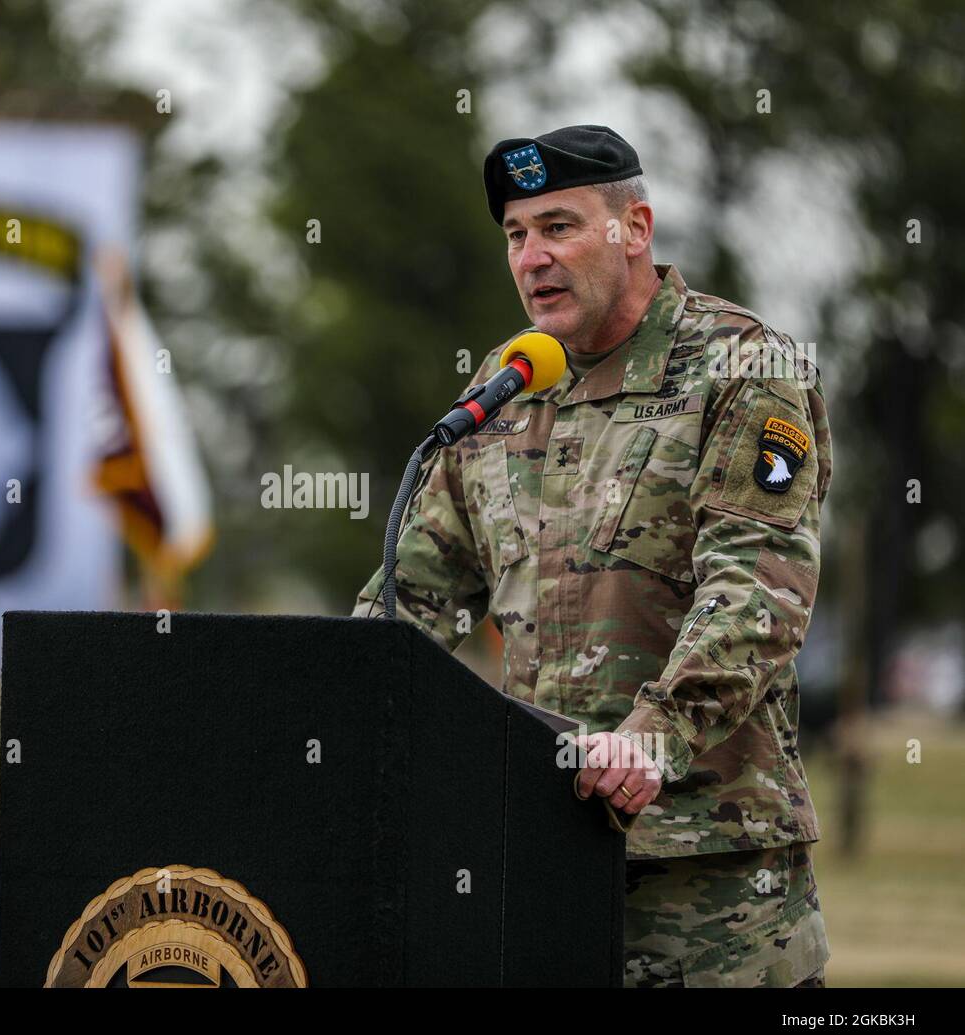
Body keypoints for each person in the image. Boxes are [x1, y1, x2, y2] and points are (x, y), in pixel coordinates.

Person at [353, 125, 832, 988]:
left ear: (634, 229)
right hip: (539, 853)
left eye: (559, 226)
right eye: (516, 235)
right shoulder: (508, 382)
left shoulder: (741, 368)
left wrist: (655, 737)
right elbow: (418, 595)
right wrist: (331, 708)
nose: (533, 256)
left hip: (709, 883)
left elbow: (757, 587)